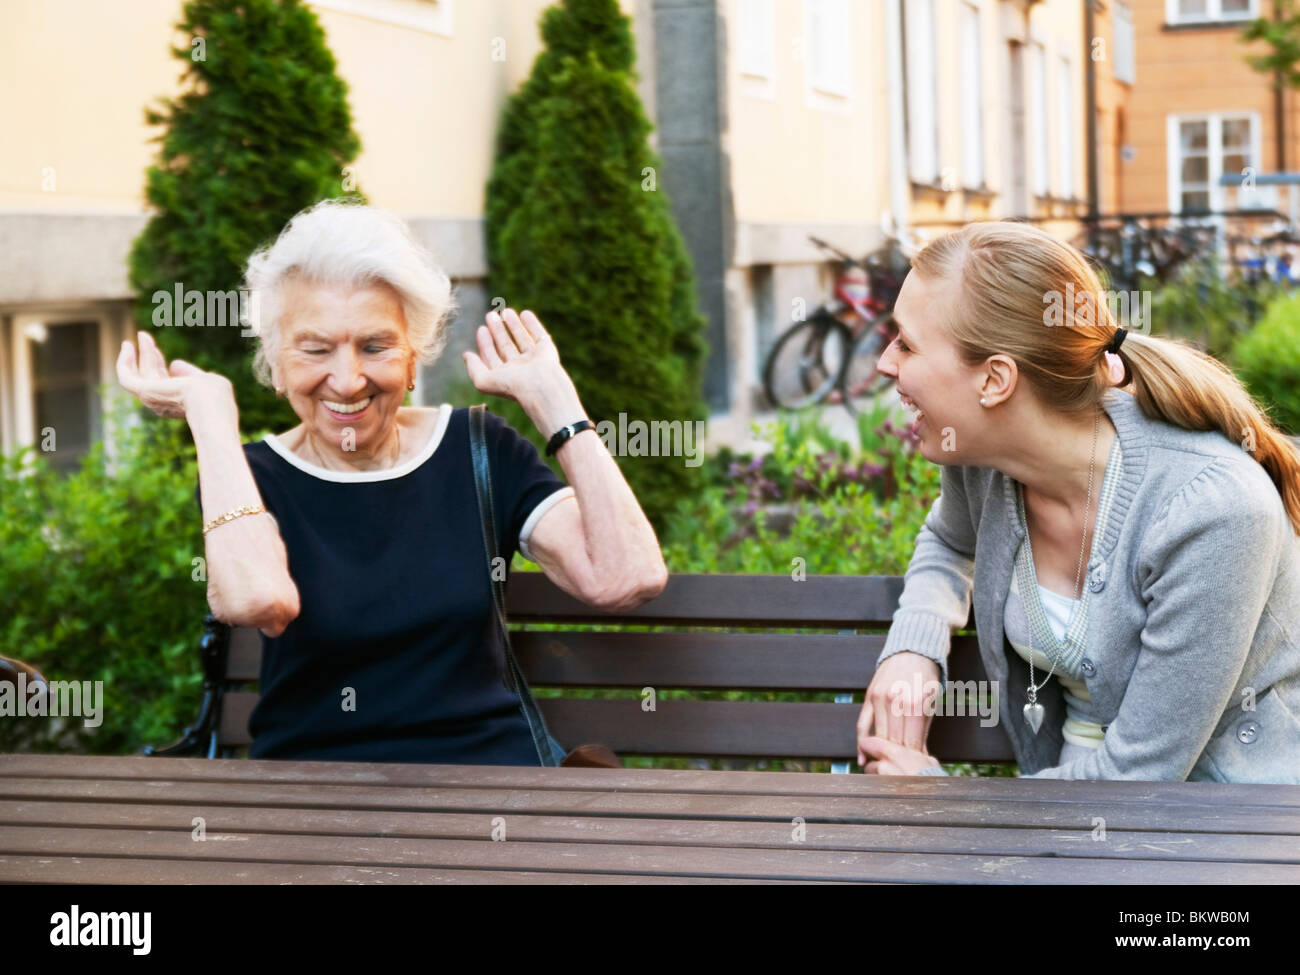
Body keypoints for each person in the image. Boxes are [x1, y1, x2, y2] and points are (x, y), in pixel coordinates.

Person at [116, 199, 667, 766]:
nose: (349, 379)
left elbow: (626, 577)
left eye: (375, 347)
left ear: (412, 362)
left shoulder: (478, 448)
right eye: (315, 349)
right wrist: (210, 416)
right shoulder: (252, 475)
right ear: (276, 367)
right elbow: (260, 601)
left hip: (492, 786)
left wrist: (555, 401)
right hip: (311, 801)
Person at [856, 220, 1300, 783]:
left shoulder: (1212, 512)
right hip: (1065, 820)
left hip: (1224, 832)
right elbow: (949, 539)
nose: (885, 363)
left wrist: (946, 803)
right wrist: (914, 650)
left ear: (994, 380)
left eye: (907, 344)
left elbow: (1141, 776)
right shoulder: (983, 463)